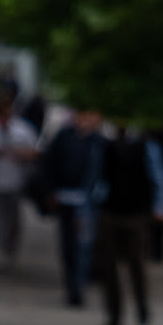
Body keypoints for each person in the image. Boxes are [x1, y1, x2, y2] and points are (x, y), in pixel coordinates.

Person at [95, 124, 163, 325]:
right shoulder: (108, 143)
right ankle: (114, 317)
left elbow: (159, 177)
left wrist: (160, 207)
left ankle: (141, 305)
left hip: (136, 214)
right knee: (109, 269)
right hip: (111, 211)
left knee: (136, 264)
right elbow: (99, 177)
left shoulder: (146, 145)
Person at [38, 106, 107, 307]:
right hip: (65, 198)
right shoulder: (65, 137)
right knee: (68, 245)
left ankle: (78, 287)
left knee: (83, 247)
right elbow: (48, 164)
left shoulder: (99, 143)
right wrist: (50, 191)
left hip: (86, 203)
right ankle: (71, 285)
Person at [0, 92, 40, 269]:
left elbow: (35, 153)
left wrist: (17, 153)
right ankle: (2, 251)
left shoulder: (23, 129)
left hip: (16, 181)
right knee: (0, 218)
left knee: (14, 219)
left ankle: (12, 248)